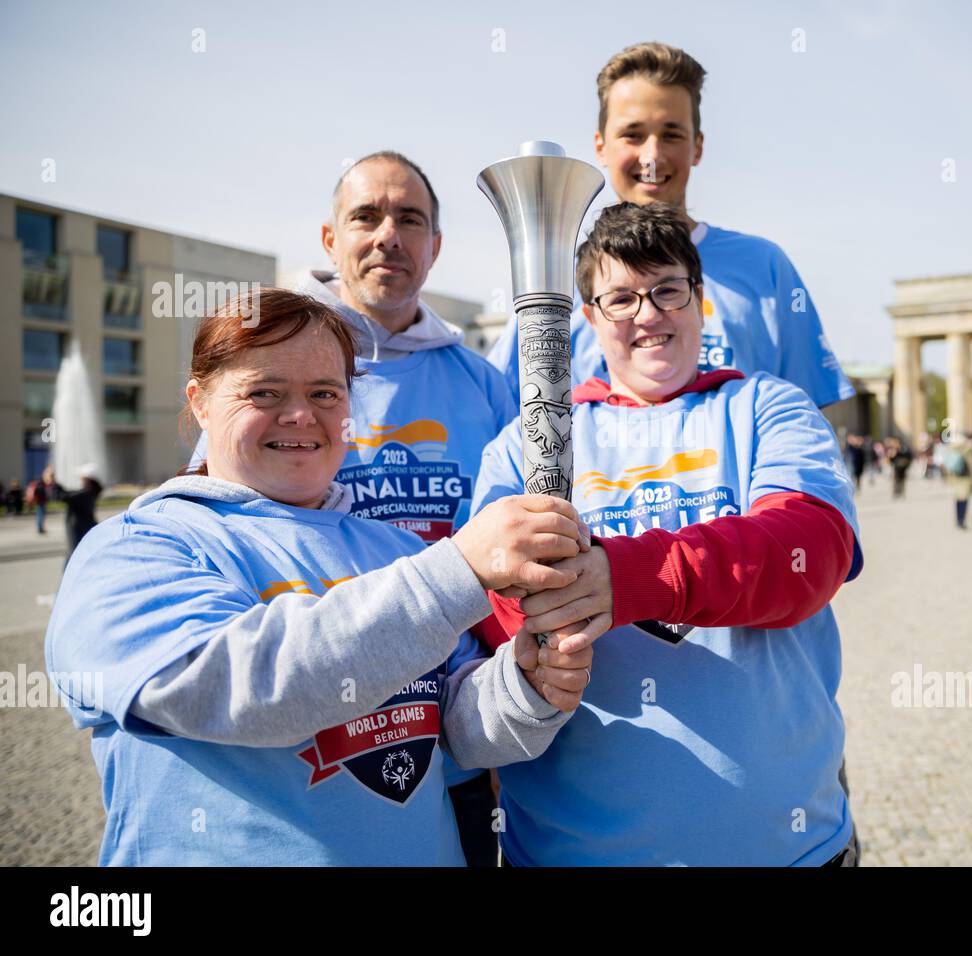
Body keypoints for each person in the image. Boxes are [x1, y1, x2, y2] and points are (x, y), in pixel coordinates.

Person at [46, 289, 594, 866]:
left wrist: (525, 688)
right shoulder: (134, 548)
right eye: (264, 392)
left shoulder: (396, 550)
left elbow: (453, 732)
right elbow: (247, 690)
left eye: (325, 393)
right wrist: (456, 568)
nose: (301, 415)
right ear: (200, 403)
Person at [472, 202, 863, 866]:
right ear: (590, 318)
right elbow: (489, 609)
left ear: (700, 300)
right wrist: (529, 606)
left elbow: (808, 557)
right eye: (620, 298)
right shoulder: (523, 447)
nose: (648, 315)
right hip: (576, 853)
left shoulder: (769, 407)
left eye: (667, 291)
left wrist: (619, 579)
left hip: (786, 848)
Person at [190, 151, 517, 866]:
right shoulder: (267, 359)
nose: (388, 235)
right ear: (330, 238)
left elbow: (514, 552)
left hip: (445, 727)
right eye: (365, 216)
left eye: (411, 219)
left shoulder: (485, 386)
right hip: (301, 724)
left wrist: (501, 709)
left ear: (435, 247)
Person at [489, 41, 854, 412]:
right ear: (601, 146)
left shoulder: (765, 267)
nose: (652, 156)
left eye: (672, 134)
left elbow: (809, 413)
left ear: (697, 146)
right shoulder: (556, 281)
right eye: (633, 134)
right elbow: (499, 403)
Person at [943, 433, 972, 529]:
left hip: (954, 478)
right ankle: (962, 520)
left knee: (957, 499)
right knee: (964, 499)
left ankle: (958, 520)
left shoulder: (949, 449)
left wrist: (947, 478)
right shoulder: (966, 449)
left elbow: (946, 465)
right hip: (965, 478)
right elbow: (971, 466)